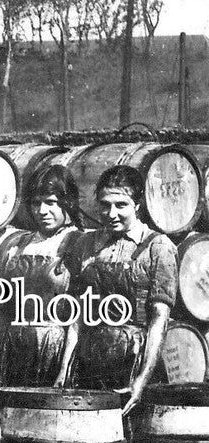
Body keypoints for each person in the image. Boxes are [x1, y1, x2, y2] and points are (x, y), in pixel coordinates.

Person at [65, 165, 176, 415]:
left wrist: (142, 381)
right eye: (105, 205)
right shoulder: (86, 245)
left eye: (121, 205)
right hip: (90, 360)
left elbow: (159, 322)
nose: (111, 213)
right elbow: (78, 316)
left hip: (135, 362)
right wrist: (64, 372)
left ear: (138, 205)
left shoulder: (158, 248)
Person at [0, 165, 83, 387]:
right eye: (36, 203)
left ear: (67, 203)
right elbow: (2, 310)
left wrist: (64, 370)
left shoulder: (78, 243)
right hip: (12, 348)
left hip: (53, 349)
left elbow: (78, 318)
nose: (42, 210)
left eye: (51, 202)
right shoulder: (19, 244)